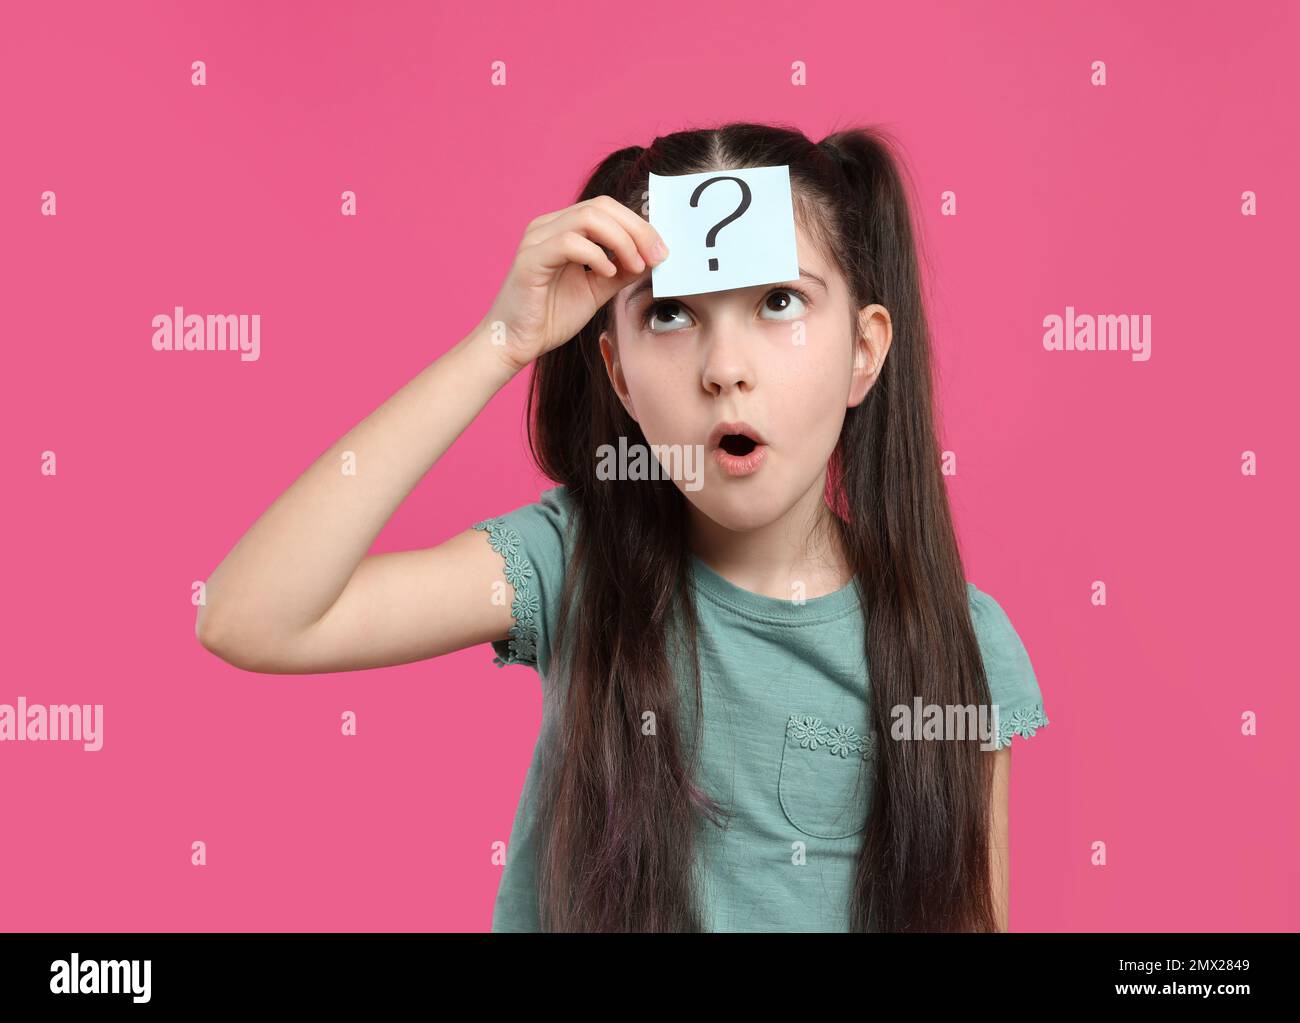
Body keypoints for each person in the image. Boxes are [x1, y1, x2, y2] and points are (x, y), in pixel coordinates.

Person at [196, 121, 1051, 933]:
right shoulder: (570, 563)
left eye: (780, 302)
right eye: (672, 315)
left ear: (863, 351)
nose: (725, 370)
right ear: (620, 374)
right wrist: (501, 342)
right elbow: (252, 616)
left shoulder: (960, 646)